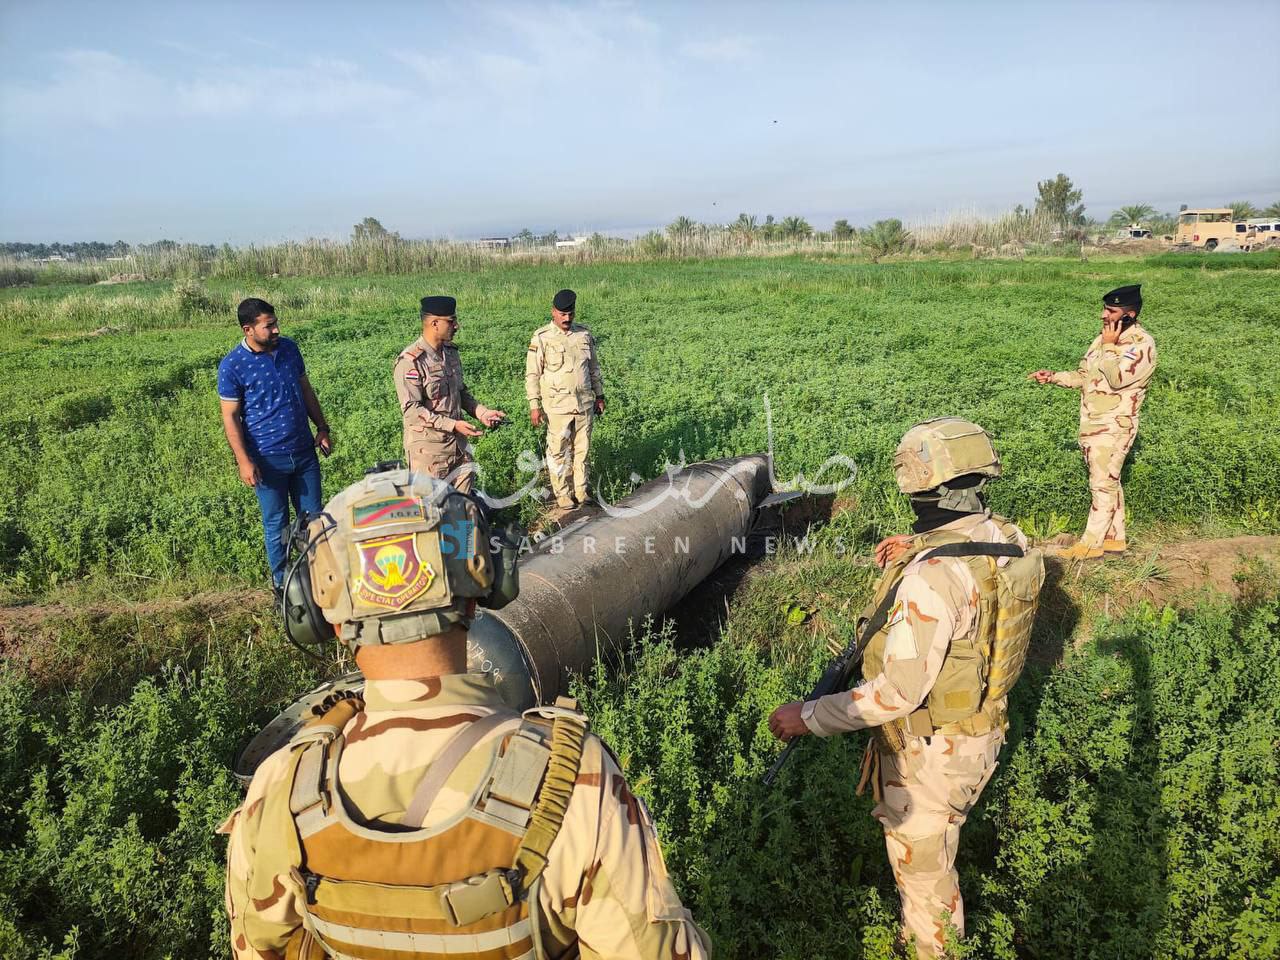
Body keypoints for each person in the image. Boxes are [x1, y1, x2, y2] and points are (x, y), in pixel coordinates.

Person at [221, 467, 710, 960]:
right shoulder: (570, 784)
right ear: (483, 590)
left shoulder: (281, 791)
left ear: (323, 614)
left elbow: (260, 948)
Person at [767, 418, 1044, 959]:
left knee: (924, 875)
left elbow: (897, 693)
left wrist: (810, 715)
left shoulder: (932, 580)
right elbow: (968, 549)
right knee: (940, 845)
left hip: (933, 755)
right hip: (981, 730)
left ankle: (932, 947)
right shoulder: (1012, 539)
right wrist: (919, 545)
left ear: (925, 489)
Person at [1030, 284, 1158, 560]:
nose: (1103, 315)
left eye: (1111, 310)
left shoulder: (1141, 345)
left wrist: (1110, 347)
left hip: (1114, 426)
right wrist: (1053, 377)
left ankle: (1090, 545)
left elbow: (1117, 379)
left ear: (1129, 314)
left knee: (1101, 484)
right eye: (1104, 309)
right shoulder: (1102, 340)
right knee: (1109, 481)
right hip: (1093, 424)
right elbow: (1083, 375)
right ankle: (1114, 539)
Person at [218, 297, 332, 594]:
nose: (277, 329)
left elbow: (305, 389)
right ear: (248, 329)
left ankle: (316, 583)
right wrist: (244, 461)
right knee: (276, 524)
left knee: (314, 520)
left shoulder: (289, 349)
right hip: (267, 459)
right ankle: (283, 587)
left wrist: (321, 427)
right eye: (269, 326)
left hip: (304, 453)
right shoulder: (233, 366)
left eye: (276, 323)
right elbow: (230, 417)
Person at [394, 296, 506, 495]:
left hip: (459, 450)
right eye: (451, 321)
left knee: (462, 512)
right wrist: (453, 425)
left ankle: (465, 528)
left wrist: (481, 413)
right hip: (431, 454)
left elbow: (459, 392)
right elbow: (411, 410)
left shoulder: (451, 353)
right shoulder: (411, 361)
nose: (457, 326)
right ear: (435, 323)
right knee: (435, 515)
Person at [525, 289, 605, 509]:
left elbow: (594, 368)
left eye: (570, 313)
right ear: (553, 312)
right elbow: (532, 374)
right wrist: (534, 405)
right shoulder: (542, 337)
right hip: (557, 407)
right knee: (559, 451)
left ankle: (581, 490)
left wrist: (599, 395)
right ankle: (562, 493)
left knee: (583, 449)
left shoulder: (584, 335)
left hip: (584, 404)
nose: (567, 318)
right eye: (562, 314)